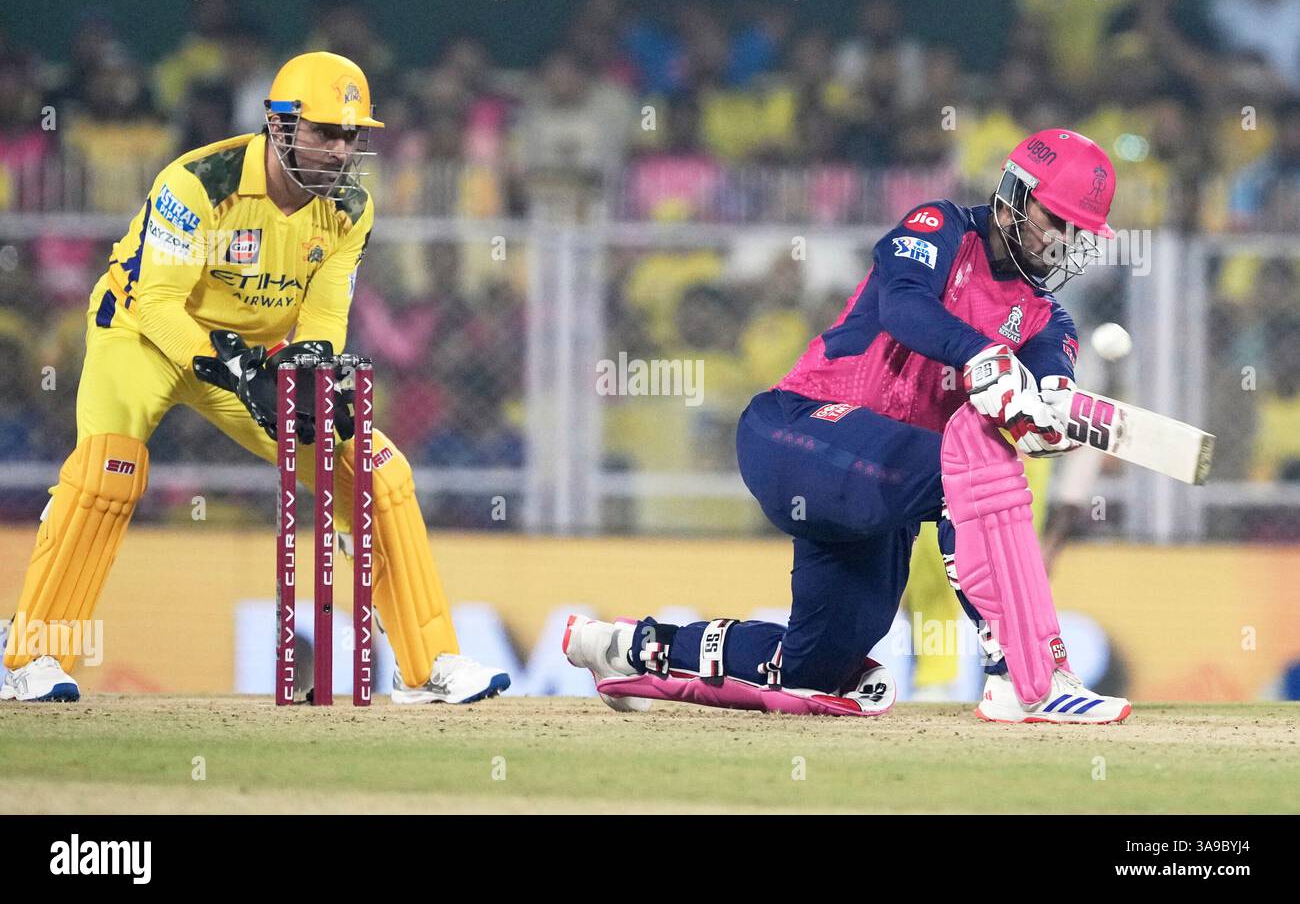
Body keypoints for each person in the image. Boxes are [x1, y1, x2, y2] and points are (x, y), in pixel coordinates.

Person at [566, 129, 1131, 723]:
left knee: (812, 671)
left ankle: (622, 648)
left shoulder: (1050, 321)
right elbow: (904, 305)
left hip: (879, 489)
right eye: (1056, 220)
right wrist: (982, 358)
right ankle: (1024, 673)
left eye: (1078, 232)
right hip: (799, 431)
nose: (1064, 242)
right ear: (1017, 194)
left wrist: (1048, 419)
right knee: (970, 464)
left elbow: (1049, 388)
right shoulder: (939, 228)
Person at [1, 51, 509, 704]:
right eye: (326, 132)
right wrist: (237, 366)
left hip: (251, 356)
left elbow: (324, 318)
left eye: (352, 136)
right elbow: (158, 304)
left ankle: (430, 667)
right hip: (140, 334)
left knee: (381, 473)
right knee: (107, 474)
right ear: (279, 125)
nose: (340, 151)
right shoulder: (201, 182)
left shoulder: (350, 207)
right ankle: (31, 658)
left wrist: (312, 375)